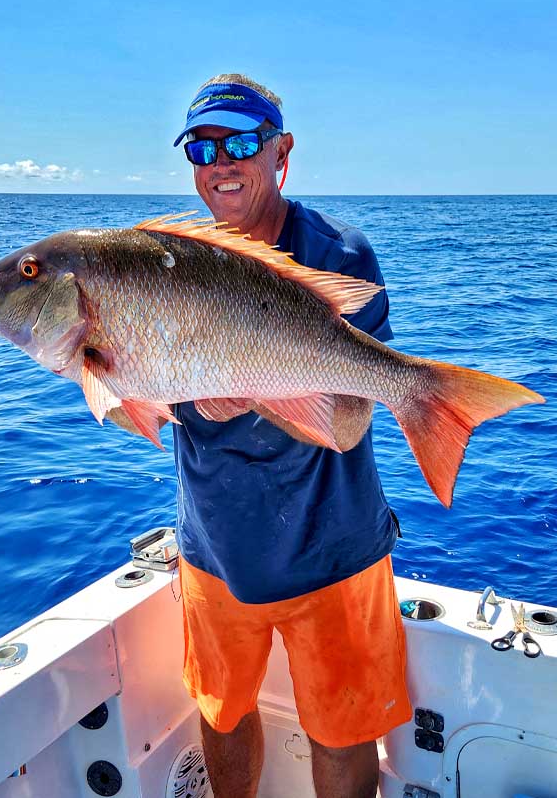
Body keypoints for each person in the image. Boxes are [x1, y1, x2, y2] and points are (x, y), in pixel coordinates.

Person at [171, 73, 412, 798]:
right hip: (215, 547)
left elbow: (344, 425)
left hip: (334, 550)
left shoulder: (339, 254)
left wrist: (246, 389)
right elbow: (135, 401)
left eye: (241, 141)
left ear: (282, 152)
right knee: (221, 714)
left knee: (344, 731)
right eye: (202, 147)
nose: (221, 162)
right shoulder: (171, 262)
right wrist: (190, 405)